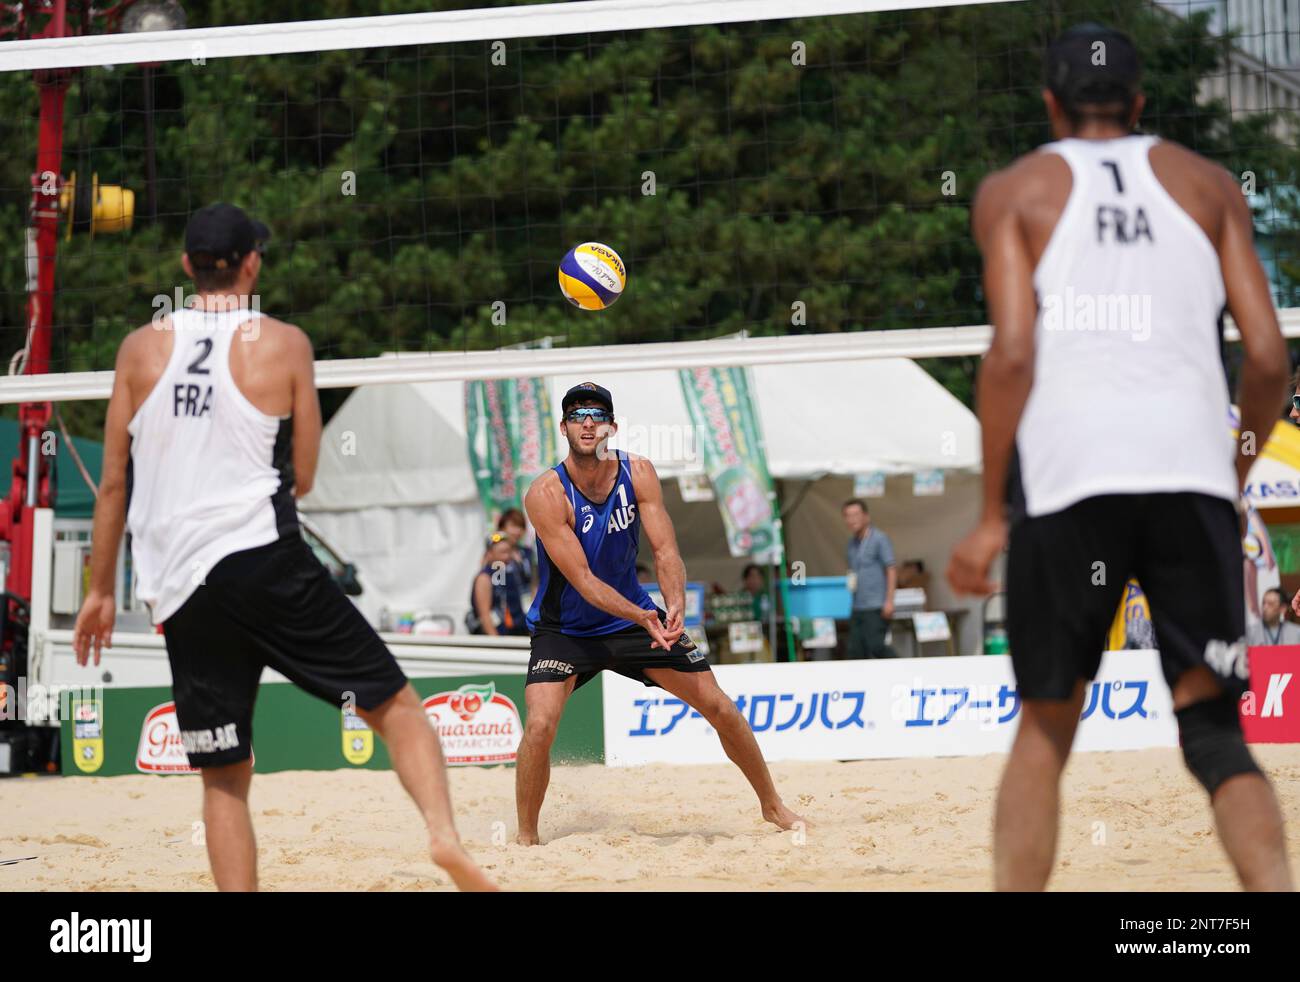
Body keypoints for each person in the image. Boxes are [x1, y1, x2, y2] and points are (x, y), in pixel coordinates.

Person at [946, 25, 1292, 891]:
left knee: (1045, 731)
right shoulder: (1208, 185)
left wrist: (990, 516)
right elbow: (1266, 359)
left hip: (1071, 484)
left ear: (1051, 104)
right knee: (1215, 733)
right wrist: (1235, 467)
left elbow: (1013, 354)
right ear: (1140, 103)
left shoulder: (1012, 190)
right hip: (1190, 478)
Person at [71, 203, 494, 892]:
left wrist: (98, 589)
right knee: (397, 708)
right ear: (251, 263)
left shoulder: (138, 349)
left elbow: (114, 482)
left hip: (180, 583)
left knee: (224, 777)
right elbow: (301, 476)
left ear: (185, 266)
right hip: (263, 559)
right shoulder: (284, 343)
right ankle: (444, 839)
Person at [515, 381, 804, 844]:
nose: (587, 422)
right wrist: (643, 615)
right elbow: (585, 581)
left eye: (596, 413)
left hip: (633, 619)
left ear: (611, 425)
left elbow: (666, 550)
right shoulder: (546, 492)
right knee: (540, 725)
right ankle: (527, 836)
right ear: (565, 427)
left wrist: (675, 604)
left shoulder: (640, 473)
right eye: (576, 414)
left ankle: (773, 806)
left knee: (720, 706)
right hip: (565, 628)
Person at [842, 499, 897, 658]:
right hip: (857, 605)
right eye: (848, 516)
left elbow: (891, 569)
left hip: (876, 605)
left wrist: (889, 601)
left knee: (876, 645)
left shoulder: (879, 539)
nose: (852, 520)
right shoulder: (851, 544)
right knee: (855, 651)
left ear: (866, 516)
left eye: (856, 515)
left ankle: (902, 670)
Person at [467, 533, 529, 636]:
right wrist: (498, 644)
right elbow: (485, 616)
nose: (507, 556)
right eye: (503, 552)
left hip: (517, 633)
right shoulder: (484, 578)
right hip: (497, 638)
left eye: (509, 551)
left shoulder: (512, 573)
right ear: (490, 554)